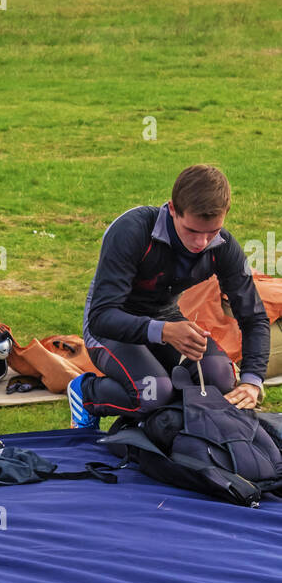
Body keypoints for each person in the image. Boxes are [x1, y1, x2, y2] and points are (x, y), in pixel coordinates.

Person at [68, 164, 269, 429]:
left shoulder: (223, 246)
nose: (202, 243)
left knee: (220, 379)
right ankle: (87, 393)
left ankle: (156, 424)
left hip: (165, 318)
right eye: (192, 231)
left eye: (212, 232)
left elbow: (254, 317)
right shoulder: (132, 231)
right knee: (154, 392)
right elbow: (101, 317)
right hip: (111, 325)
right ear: (172, 209)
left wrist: (252, 381)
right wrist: (163, 331)